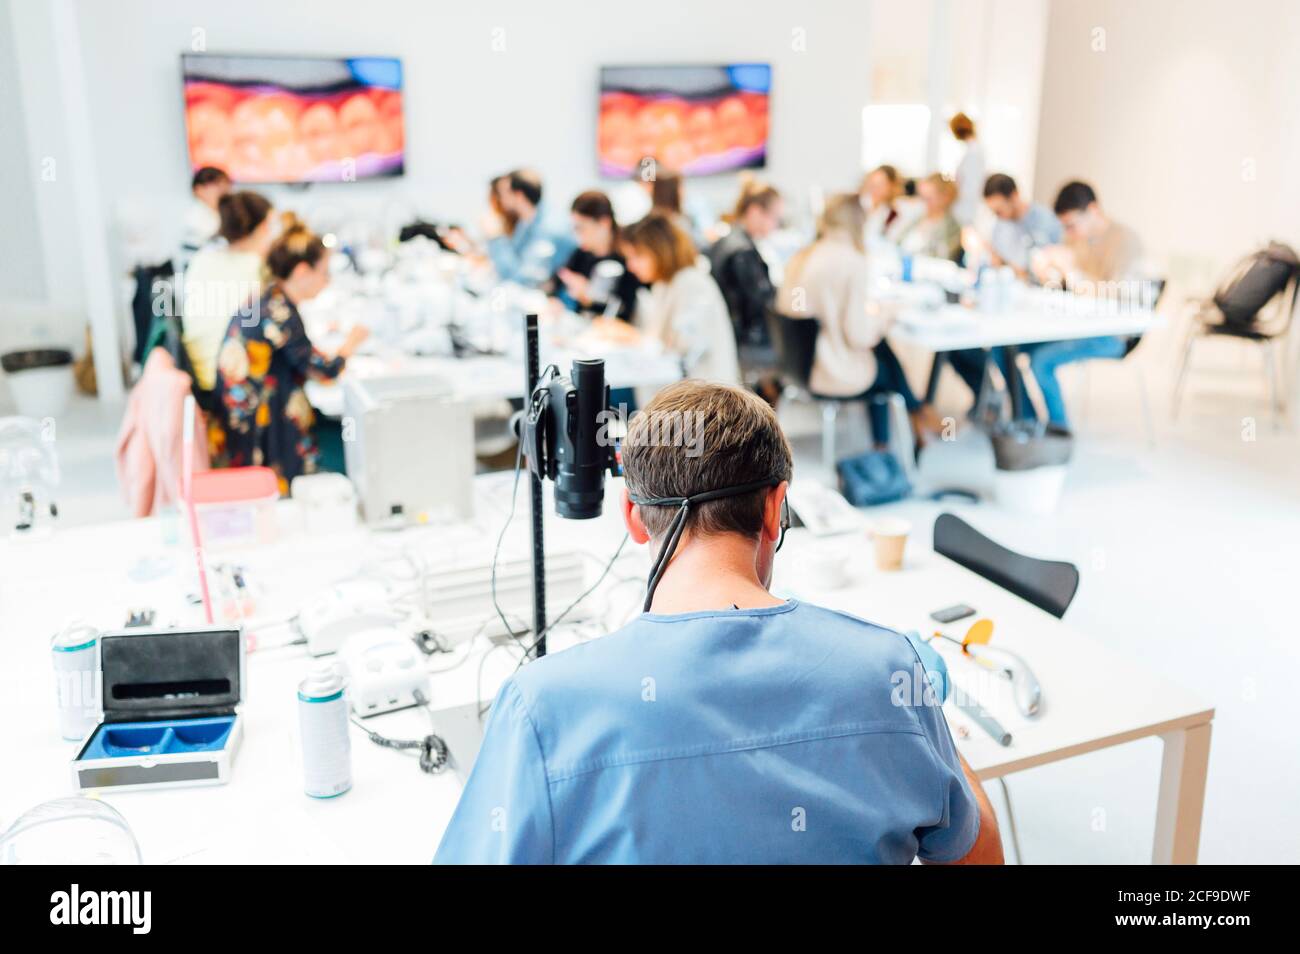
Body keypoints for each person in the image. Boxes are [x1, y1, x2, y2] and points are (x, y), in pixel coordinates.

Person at [434, 379, 1003, 864]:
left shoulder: (543, 707)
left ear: (633, 516)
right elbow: (978, 854)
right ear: (777, 507)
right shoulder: (886, 670)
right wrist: (927, 726)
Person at [212, 214, 369, 492]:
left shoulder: (270, 299)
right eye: (324, 272)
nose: (327, 281)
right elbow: (323, 371)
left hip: (240, 411)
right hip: (259, 422)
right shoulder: (280, 311)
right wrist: (351, 344)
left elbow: (297, 354)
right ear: (301, 272)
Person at [776, 193, 939, 445]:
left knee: (883, 352)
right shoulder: (852, 261)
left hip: (799, 367)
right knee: (883, 356)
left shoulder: (802, 256)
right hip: (832, 371)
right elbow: (859, 336)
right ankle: (903, 426)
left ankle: (915, 414)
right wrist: (885, 315)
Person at [1021, 181, 1146, 427]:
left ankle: (1059, 432)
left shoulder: (1125, 241)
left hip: (1113, 334)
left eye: (1071, 225)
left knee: (1041, 361)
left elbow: (1116, 298)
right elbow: (1069, 286)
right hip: (1075, 324)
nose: (1068, 232)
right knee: (1008, 346)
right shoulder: (1076, 239)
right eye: (1064, 226)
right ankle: (1024, 418)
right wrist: (1049, 272)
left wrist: (1071, 272)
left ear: (1094, 210)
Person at [620, 212, 740, 384]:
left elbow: (682, 351)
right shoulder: (664, 284)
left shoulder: (691, 284)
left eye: (636, 256)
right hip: (681, 389)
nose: (630, 266)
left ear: (659, 251)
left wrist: (631, 338)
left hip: (704, 396)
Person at [181, 190, 274, 394]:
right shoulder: (256, 267)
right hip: (230, 379)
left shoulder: (201, 259)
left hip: (199, 372)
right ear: (261, 228)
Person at [707, 178, 782, 349]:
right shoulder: (742, 252)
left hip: (728, 336)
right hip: (745, 344)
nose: (776, 226)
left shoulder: (727, 240)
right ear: (755, 212)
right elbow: (759, 307)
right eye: (774, 218)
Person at [551, 191, 641, 321]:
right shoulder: (582, 252)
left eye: (581, 228)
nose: (578, 235)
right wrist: (555, 299)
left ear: (604, 223)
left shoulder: (627, 259)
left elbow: (624, 313)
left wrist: (588, 297)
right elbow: (557, 282)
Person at [484, 169, 575, 287]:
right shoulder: (527, 221)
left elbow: (520, 280)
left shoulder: (548, 228)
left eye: (503, 194)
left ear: (519, 195)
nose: (500, 199)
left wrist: (496, 237)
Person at [982, 173, 1062, 280]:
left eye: (999, 211)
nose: (998, 217)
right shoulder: (999, 227)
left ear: (1014, 196)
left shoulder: (1047, 221)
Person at [897, 173, 962, 262]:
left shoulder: (951, 227)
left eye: (929, 198)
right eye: (922, 197)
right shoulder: (918, 218)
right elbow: (898, 241)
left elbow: (943, 257)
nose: (924, 203)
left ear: (943, 198)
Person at [180, 167, 230, 266]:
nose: (224, 190)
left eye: (226, 184)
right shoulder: (194, 218)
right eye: (217, 184)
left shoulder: (222, 213)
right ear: (198, 189)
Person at [860, 164, 915, 243]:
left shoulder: (894, 213)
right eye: (873, 184)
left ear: (892, 187)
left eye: (881, 184)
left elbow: (891, 240)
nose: (875, 189)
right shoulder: (859, 204)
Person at [949, 113, 985, 228]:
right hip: (964, 207)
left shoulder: (974, 152)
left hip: (966, 208)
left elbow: (971, 185)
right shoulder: (971, 150)